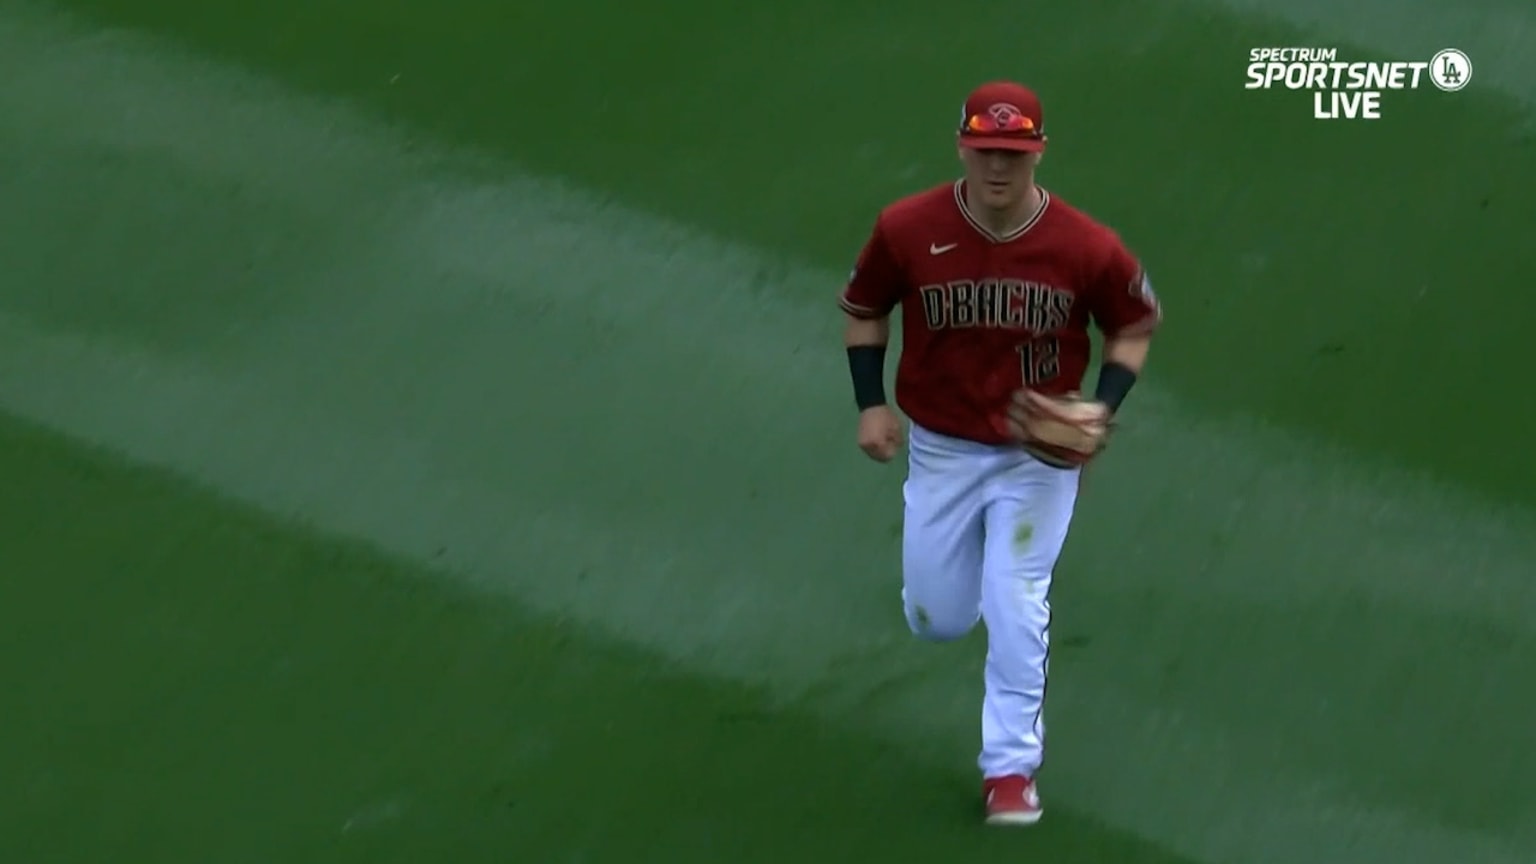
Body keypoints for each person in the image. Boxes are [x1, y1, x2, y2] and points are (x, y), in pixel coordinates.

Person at [837, 80, 1162, 826]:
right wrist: (870, 405)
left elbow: (1134, 326)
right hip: (943, 450)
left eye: (1013, 155)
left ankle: (1009, 769)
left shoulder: (1086, 246)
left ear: (1037, 155)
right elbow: (863, 313)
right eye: (986, 151)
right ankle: (971, 579)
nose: (998, 169)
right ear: (962, 146)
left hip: (1036, 457)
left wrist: (1099, 407)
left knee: (1016, 600)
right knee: (938, 618)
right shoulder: (906, 228)